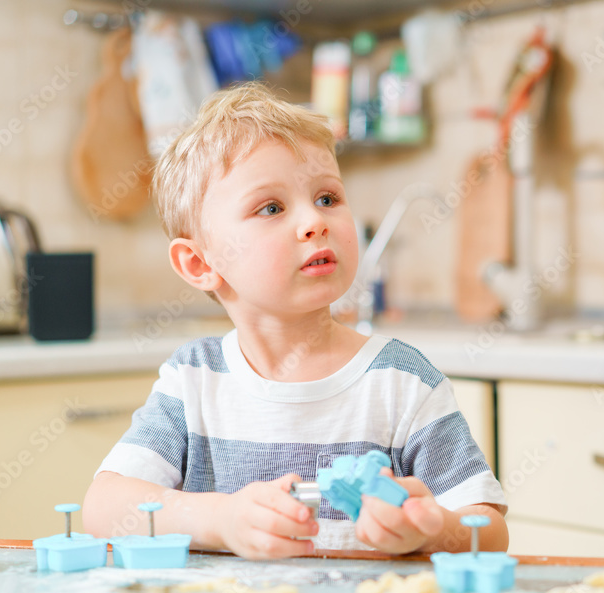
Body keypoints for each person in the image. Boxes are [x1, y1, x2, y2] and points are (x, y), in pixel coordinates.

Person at [83, 82, 508, 559]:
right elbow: (103, 510)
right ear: (201, 265)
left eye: (327, 198)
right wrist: (221, 520)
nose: (314, 221)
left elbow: (487, 530)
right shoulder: (193, 381)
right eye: (271, 208)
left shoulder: (402, 381)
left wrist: (430, 531)